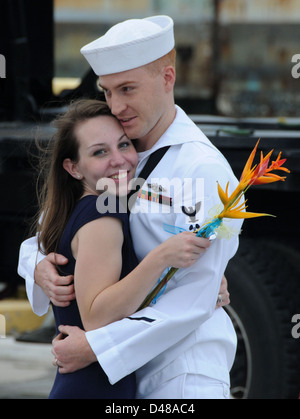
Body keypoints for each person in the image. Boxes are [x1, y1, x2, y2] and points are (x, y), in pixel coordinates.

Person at [18, 16, 243, 399]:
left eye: (128, 89)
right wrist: (38, 267)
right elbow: (56, 225)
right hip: (119, 376)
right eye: (107, 91)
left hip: (183, 372)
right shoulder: (118, 152)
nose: (116, 106)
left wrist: (98, 346)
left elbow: (194, 297)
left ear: (167, 78)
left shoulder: (203, 169)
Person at [32, 98, 209, 399]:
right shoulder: (102, 216)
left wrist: (198, 284)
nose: (119, 160)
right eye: (100, 152)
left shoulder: (92, 208)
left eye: (124, 145)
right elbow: (97, 317)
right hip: (94, 387)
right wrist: (162, 257)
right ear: (73, 168)